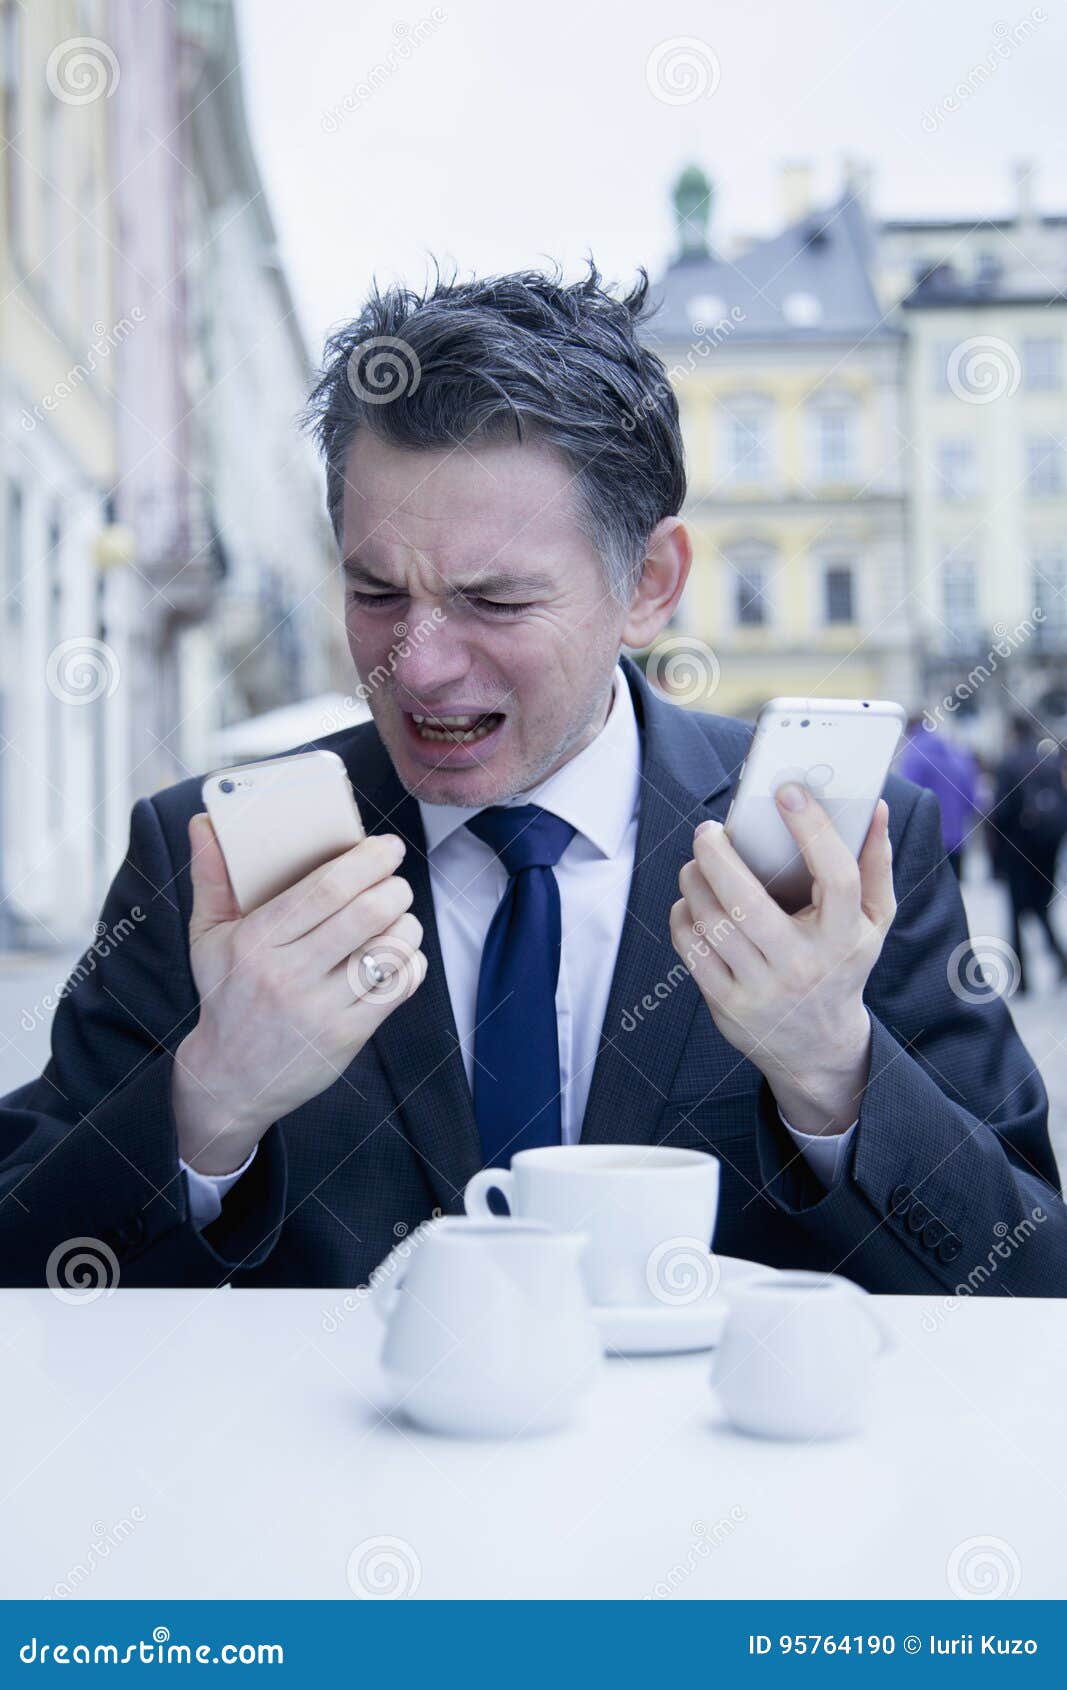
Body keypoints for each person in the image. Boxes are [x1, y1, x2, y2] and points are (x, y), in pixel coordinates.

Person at [1, 264, 1064, 1294]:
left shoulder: (844, 850)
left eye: (493, 603)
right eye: (375, 591)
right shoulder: (210, 861)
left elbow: (1027, 1282)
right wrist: (209, 1101)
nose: (414, 663)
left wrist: (833, 1072)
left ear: (647, 585)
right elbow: (22, 1265)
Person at [989, 717, 1067, 993]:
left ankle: (1022, 979)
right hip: (1046, 848)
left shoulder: (1009, 762)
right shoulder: (1048, 760)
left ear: (1013, 732)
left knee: (1015, 913)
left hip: (1017, 850)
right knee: (1042, 908)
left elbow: (1000, 812)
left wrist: (995, 860)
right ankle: (1061, 959)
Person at [896, 717, 979, 879]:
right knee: (952, 896)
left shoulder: (913, 757)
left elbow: (904, 802)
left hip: (924, 844)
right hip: (955, 841)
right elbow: (970, 800)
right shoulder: (957, 757)